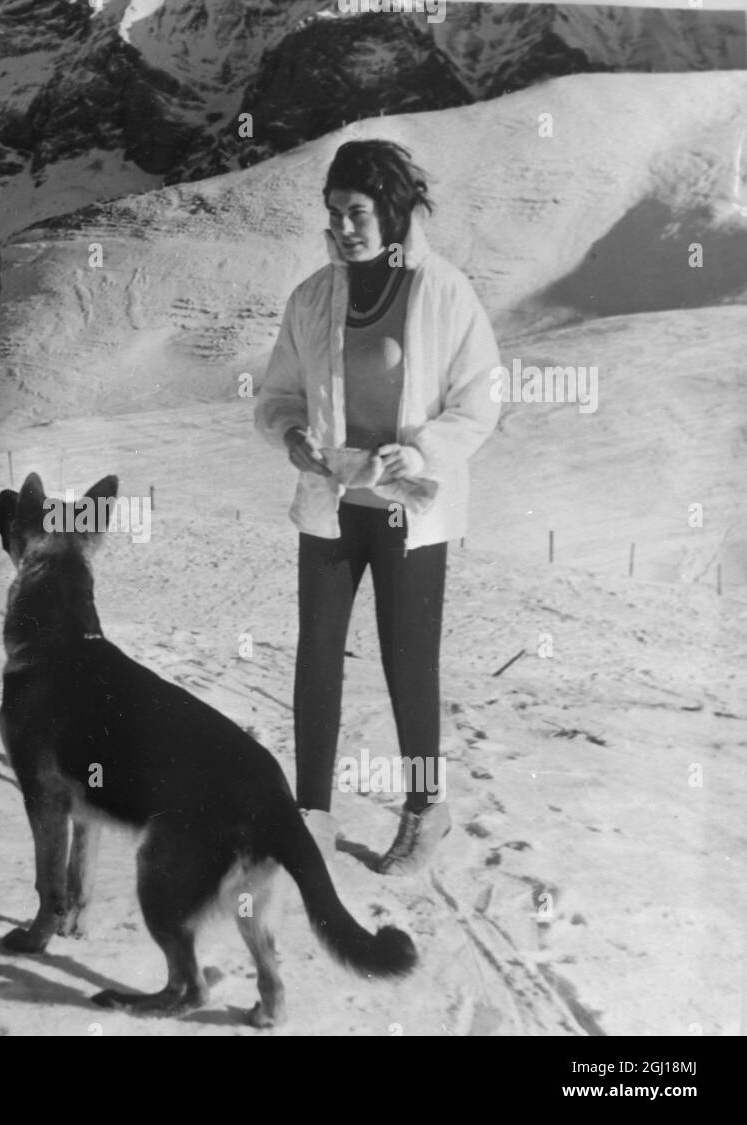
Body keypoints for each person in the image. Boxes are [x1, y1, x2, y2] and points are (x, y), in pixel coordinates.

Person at [254, 140, 501, 875]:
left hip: (408, 512)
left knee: (408, 664)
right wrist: (291, 433)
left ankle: (427, 811)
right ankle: (313, 816)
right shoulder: (314, 296)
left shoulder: (442, 292)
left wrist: (420, 452)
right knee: (317, 658)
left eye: (358, 212)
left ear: (392, 213)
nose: (345, 227)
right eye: (334, 213)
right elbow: (276, 395)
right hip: (332, 507)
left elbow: (480, 398)